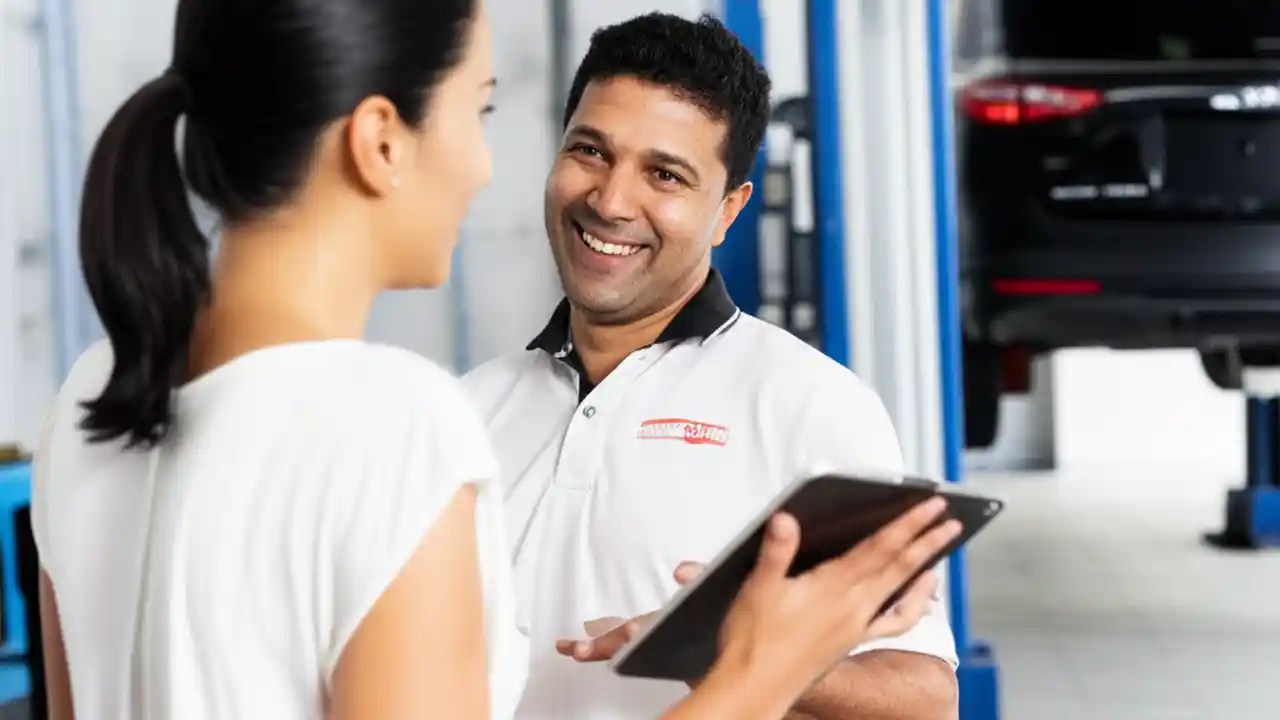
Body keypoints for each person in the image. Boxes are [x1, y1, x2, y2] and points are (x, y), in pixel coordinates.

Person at [29, 1, 960, 718]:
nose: (483, 166)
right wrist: (751, 664)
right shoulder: (417, 418)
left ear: (729, 207)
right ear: (381, 139)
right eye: (479, 110)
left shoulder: (90, 398)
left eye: (665, 175)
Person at [461, 12, 961, 720]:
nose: (609, 201)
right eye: (591, 152)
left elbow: (925, 698)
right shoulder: (468, 411)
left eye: (664, 174)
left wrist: (729, 647)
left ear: (728, 211)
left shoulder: (809, 406)